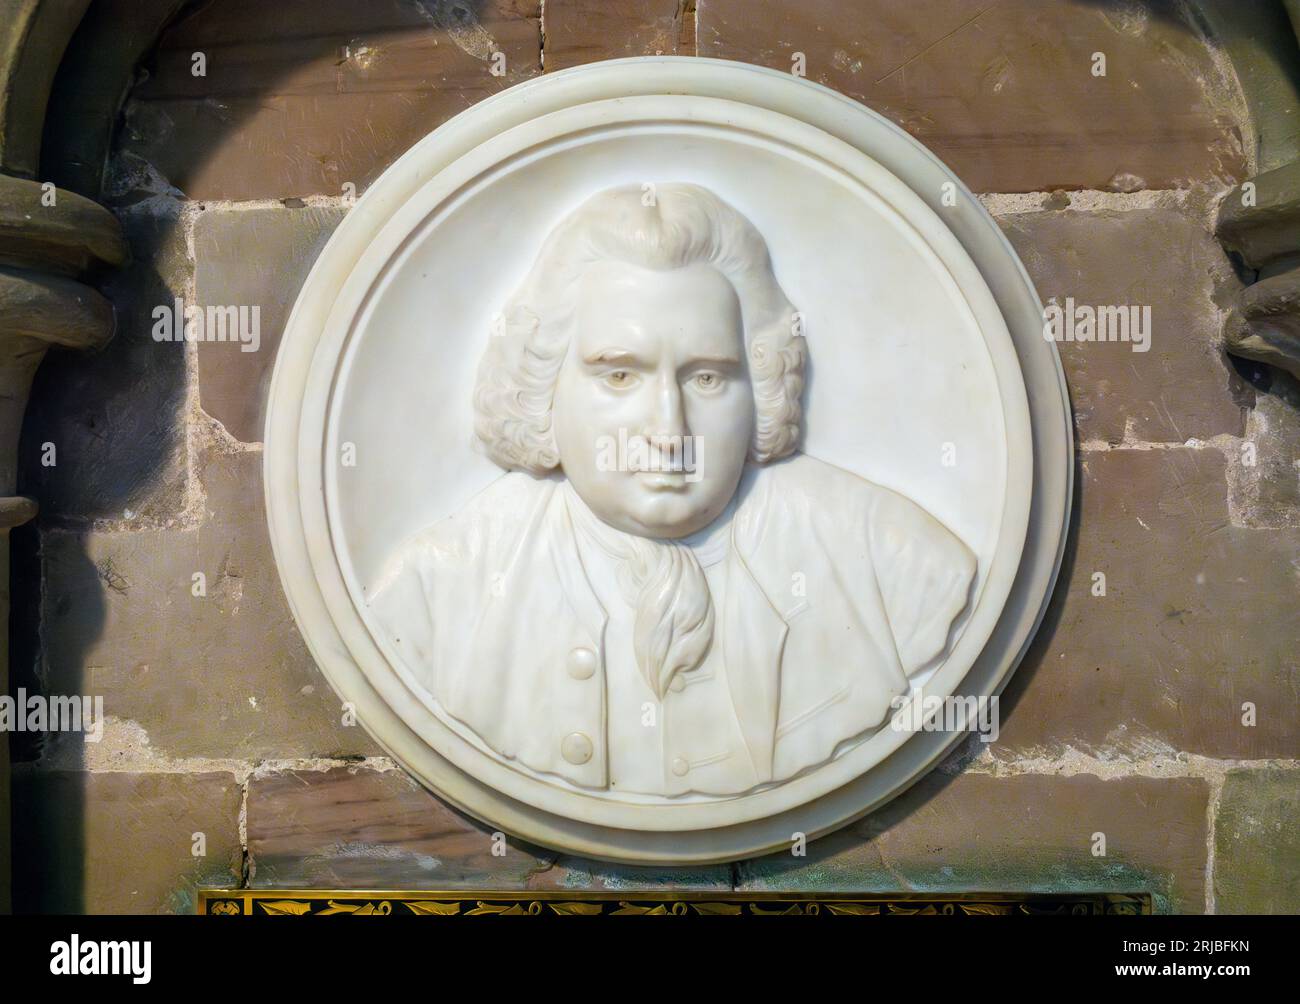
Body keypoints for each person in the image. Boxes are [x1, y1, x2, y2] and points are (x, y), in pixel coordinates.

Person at [369, 183, 975, 797]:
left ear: (760, 392)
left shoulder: (888, 562)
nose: (668, 430)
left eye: (707, 377)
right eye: (620, 375)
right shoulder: (440, 588)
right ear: (542, 388)